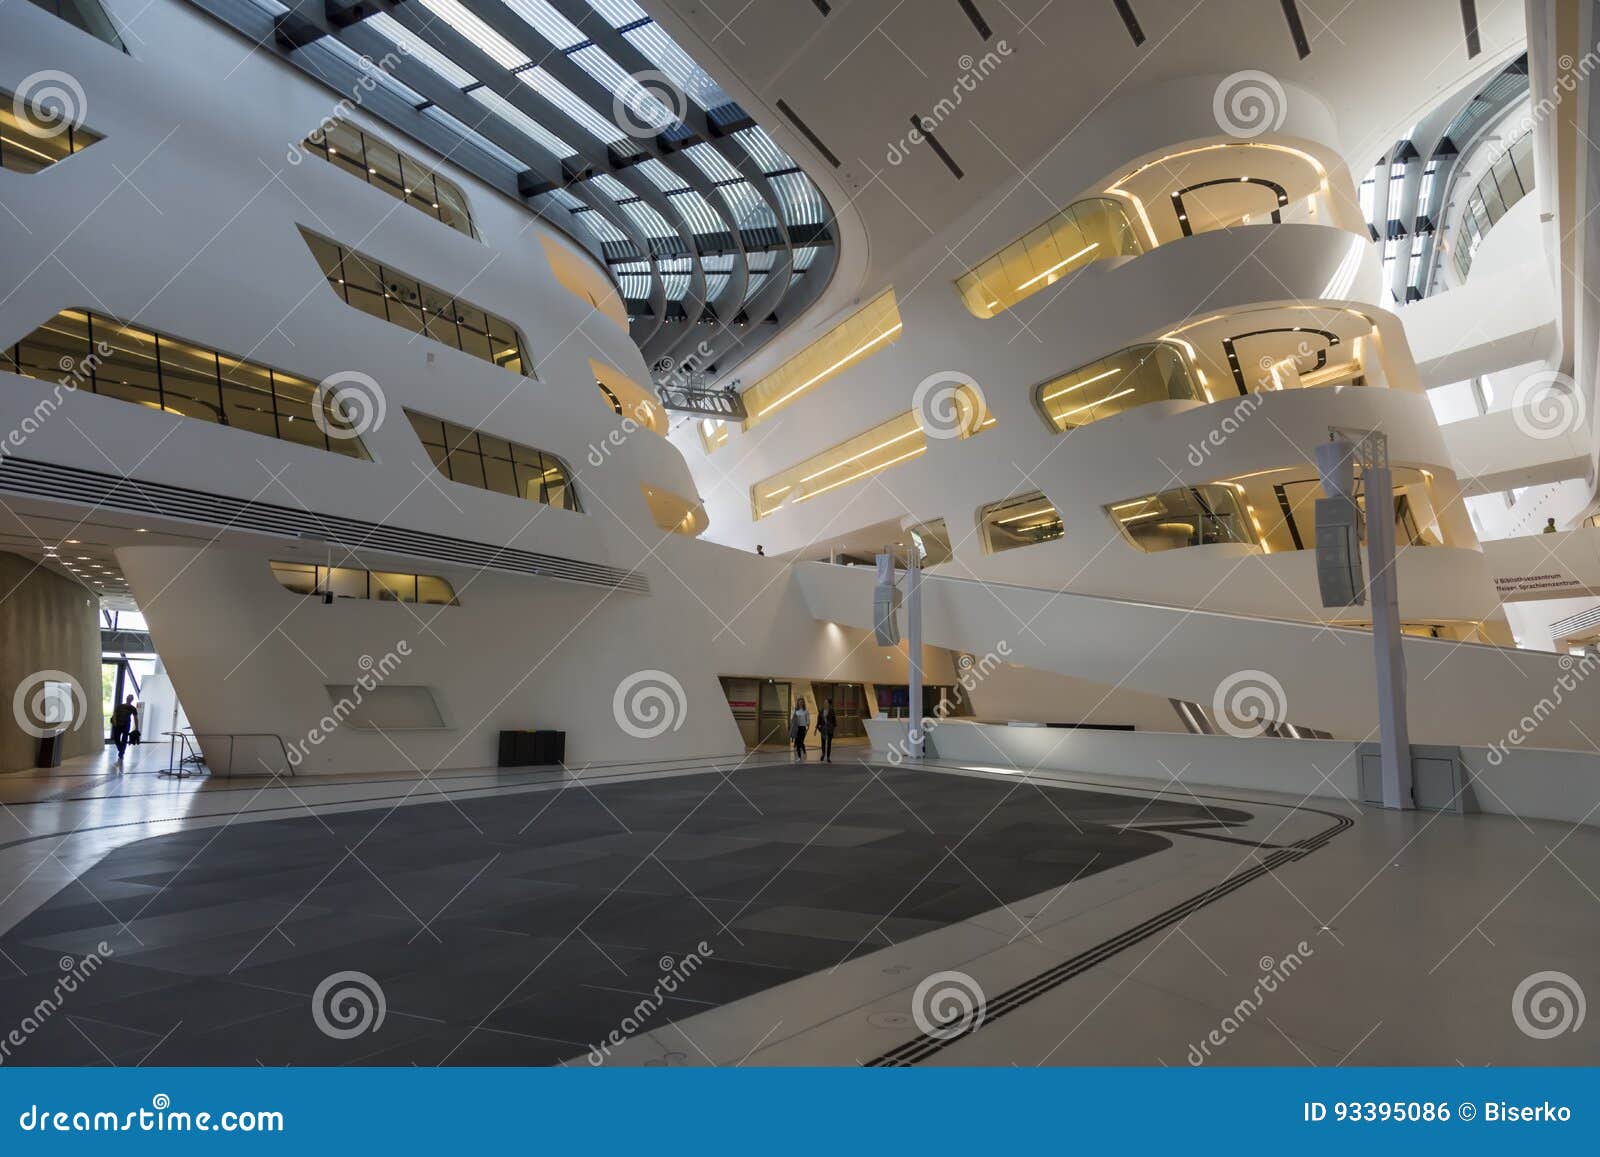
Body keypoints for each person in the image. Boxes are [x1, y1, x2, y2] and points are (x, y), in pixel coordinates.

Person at [110, 694, 138, 763]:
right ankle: (121, 749)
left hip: (126, 725)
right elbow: (114, 714)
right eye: (128, 697)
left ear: (131, 700)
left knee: (124, 740)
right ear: (126, 698)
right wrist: (115, 722)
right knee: (116, 739)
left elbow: (135, 718)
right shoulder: (120, 706)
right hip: (118, 725)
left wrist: (137, 728)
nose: (128, 699)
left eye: (130, 698)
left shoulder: (133, 708)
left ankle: (121, 753)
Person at [817, 698, 837, 763]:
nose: (825, 703)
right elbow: (819, 720)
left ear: (829, 704)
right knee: (823, 742)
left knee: (829, 743)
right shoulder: (821, 711)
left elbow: (834, 721)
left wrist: (833, 728)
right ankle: (823, 754)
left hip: (830, 729)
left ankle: (828, 757)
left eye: (826, 702)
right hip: (823, 729)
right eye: (824, 702)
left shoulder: (832, 711)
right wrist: (819, 726)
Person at [790, 697, 809, 761]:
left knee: (801, 741)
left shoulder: (805, 711)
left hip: (803, 728)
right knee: (798, 742)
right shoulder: (795, 711)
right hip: (797, 728)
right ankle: (799, 757)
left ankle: (803, 750)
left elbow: (808, 720)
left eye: (802, 702)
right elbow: (792, 719)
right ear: (797, 703)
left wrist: (807, 727)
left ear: (803, 703)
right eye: (799, 702)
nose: (800, 703)